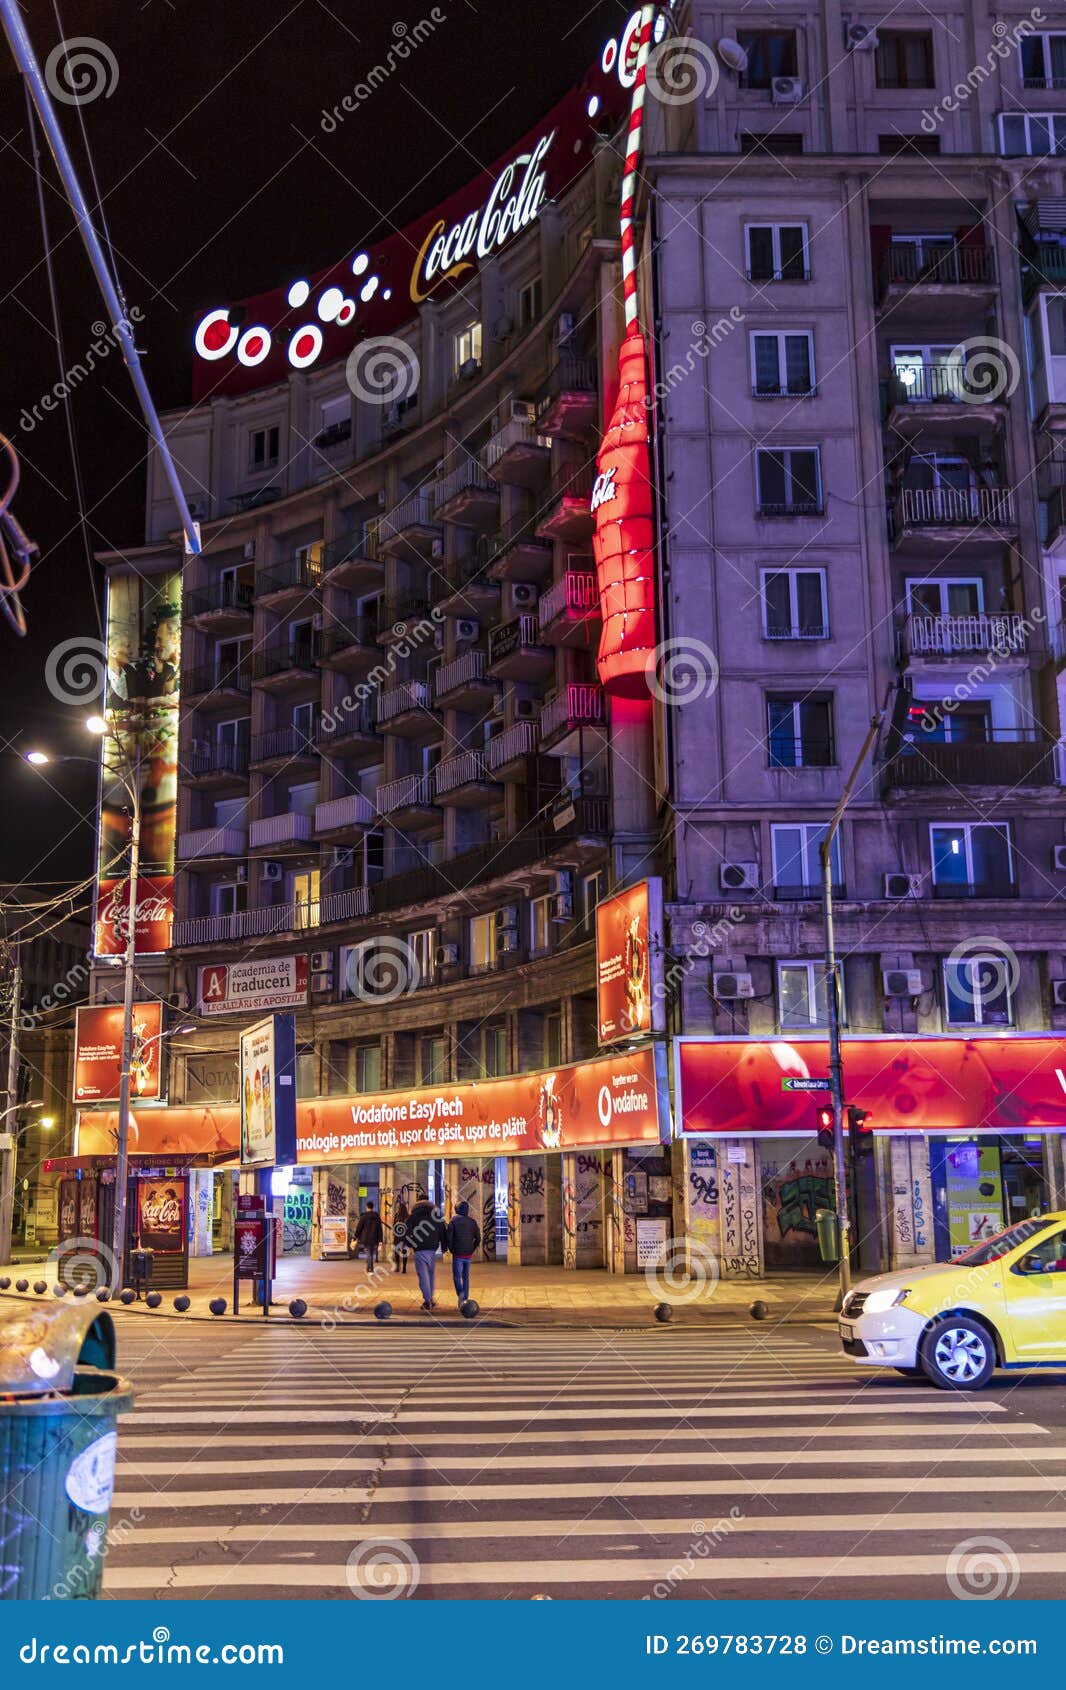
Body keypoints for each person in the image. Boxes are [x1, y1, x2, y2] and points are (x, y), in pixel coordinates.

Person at [406, 1195, 447, 1310]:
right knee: (430, 1274)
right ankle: (431, 1298)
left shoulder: (413, 1216)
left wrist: (409, 1244)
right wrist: (444, 1246)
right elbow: (442, 1230)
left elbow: (407, 1231)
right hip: (432, 1248)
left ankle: (427, 1300)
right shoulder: (435, 1215)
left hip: (419, 1248)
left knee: (423, 1275)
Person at [445, 1200, 481, 1308]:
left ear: (457, 1210)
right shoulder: (472, 1222)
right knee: (466, 1277)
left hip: (458, 1254)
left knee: (457, 1276)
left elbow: (449, 1238)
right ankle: (465, 1299)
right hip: (468, 1254)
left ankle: (461, 1294)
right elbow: (478, 1239)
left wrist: (452, 1249)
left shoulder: (453, 1222)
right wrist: (471, 1249)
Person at [353, 1201, 384, 1273]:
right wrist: (380, 1239)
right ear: (372, 1207)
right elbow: (380, 1228)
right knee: (371, 1253)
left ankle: (370, 1269)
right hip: (374, 1238)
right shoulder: (377, 1216)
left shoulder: (364, 1216)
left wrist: (355, 1236)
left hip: (366, 1238)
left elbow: (359, 1227)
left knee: (368, 1253)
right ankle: (369, 1268)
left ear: (367, 1207)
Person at [392, 1199, 410, 1275]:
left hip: (397, 1237)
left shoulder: (397, 1216)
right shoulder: (408, 1217)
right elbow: (410, 1227)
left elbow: (394, 1226)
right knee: (404, 1252)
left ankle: (397, 1267)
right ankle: (404, 1268)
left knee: (397, 1252)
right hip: (405, 1237)